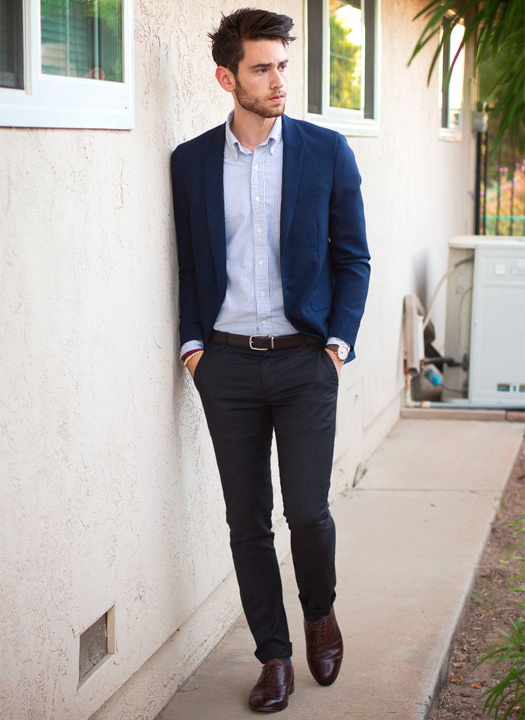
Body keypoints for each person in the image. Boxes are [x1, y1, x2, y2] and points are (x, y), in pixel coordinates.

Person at [170, 8, 370, 713]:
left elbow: (353, 257)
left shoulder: (325, 151)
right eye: (261, 67)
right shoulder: (190, 162)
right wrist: (194, 348)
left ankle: (320, 611)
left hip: (303, 362)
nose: (277, 78)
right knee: (246, 521)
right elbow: (192, 264)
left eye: (282, 64)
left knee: (308, 512)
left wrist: (337, 344)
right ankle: (273, 656)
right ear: (227, 77)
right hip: (223, 367)